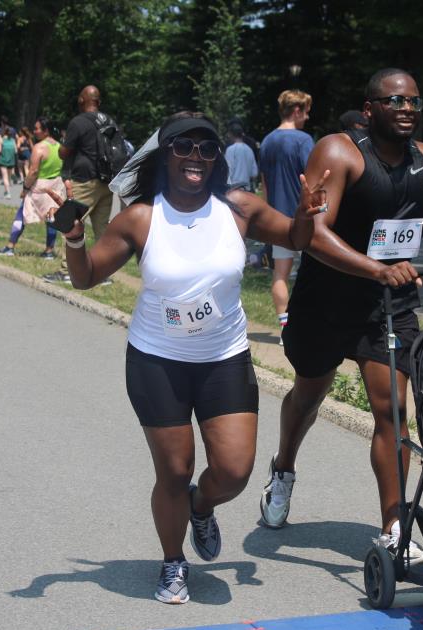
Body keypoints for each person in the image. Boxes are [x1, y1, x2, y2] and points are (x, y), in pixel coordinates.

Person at [57, 111, 326, 604]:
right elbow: (86, 276)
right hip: (157, 360)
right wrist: (74, 238)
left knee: (234, 471)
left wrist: (306, 214)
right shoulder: (142, 217)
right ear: (165, 155)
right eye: (184, 147)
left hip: (223, 356)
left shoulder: (239, 208)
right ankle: (173, 561)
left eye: (206, 148)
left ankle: (202, 507)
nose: (195, 157)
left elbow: (296, 238)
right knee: (174, 473)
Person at [259, 69, 423, 559]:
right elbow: (315, 235)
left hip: (389, 304)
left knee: (393, 411)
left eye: (414, 101)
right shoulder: (339, 150)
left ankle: (395, 526)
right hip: (327, 300)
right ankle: (283, 468)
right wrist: (374, 269)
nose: (407, 109)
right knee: (309, 393)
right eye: (395, 101)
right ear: (370, 108)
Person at [43, 85, 118, 285]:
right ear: (99, 102)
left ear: (81, 100)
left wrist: (63, 148)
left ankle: (67, 271)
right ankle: (103, 274)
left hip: (84, 180)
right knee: (102, 228)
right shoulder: (109, 121)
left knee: (70, 223)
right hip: (107, 181)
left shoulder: (78, 122)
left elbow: (64, 152)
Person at [259, 89, 314, 341]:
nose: (308, 117)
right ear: (296, 111)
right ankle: (306, 327)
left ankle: (285, 328)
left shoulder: (268, 140)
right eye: (306, 111)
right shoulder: (303, 141)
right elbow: (310, 181)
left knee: (280, 273)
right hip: (303, 218)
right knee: (310, 274)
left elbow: (264, 183)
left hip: (276, 218)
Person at [0, 117, 62, 259]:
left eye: (37, 128)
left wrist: (25, 188)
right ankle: (49, 251)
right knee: (51, 218)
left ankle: (10, 246)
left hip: (40, 186)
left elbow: (33, 172)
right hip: (55, 185)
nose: (35, 131)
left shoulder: (39, 148)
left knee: (21, 214)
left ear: (46, 130)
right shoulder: (59, 146)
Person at [224, 121, 258, 192]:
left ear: (231, 134)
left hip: (234, 190)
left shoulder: (230, 150)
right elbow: (254, 173)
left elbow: (227, 172)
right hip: (247, 190)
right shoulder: (249, 150)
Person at [0, 127, 17, 198]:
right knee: (8, 177)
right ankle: (6, 191)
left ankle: (8, 193)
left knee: (4, 177)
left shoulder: (2, 140)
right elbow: (15, 151)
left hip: (3, 160)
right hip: (11, 161)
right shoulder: (13, 140)